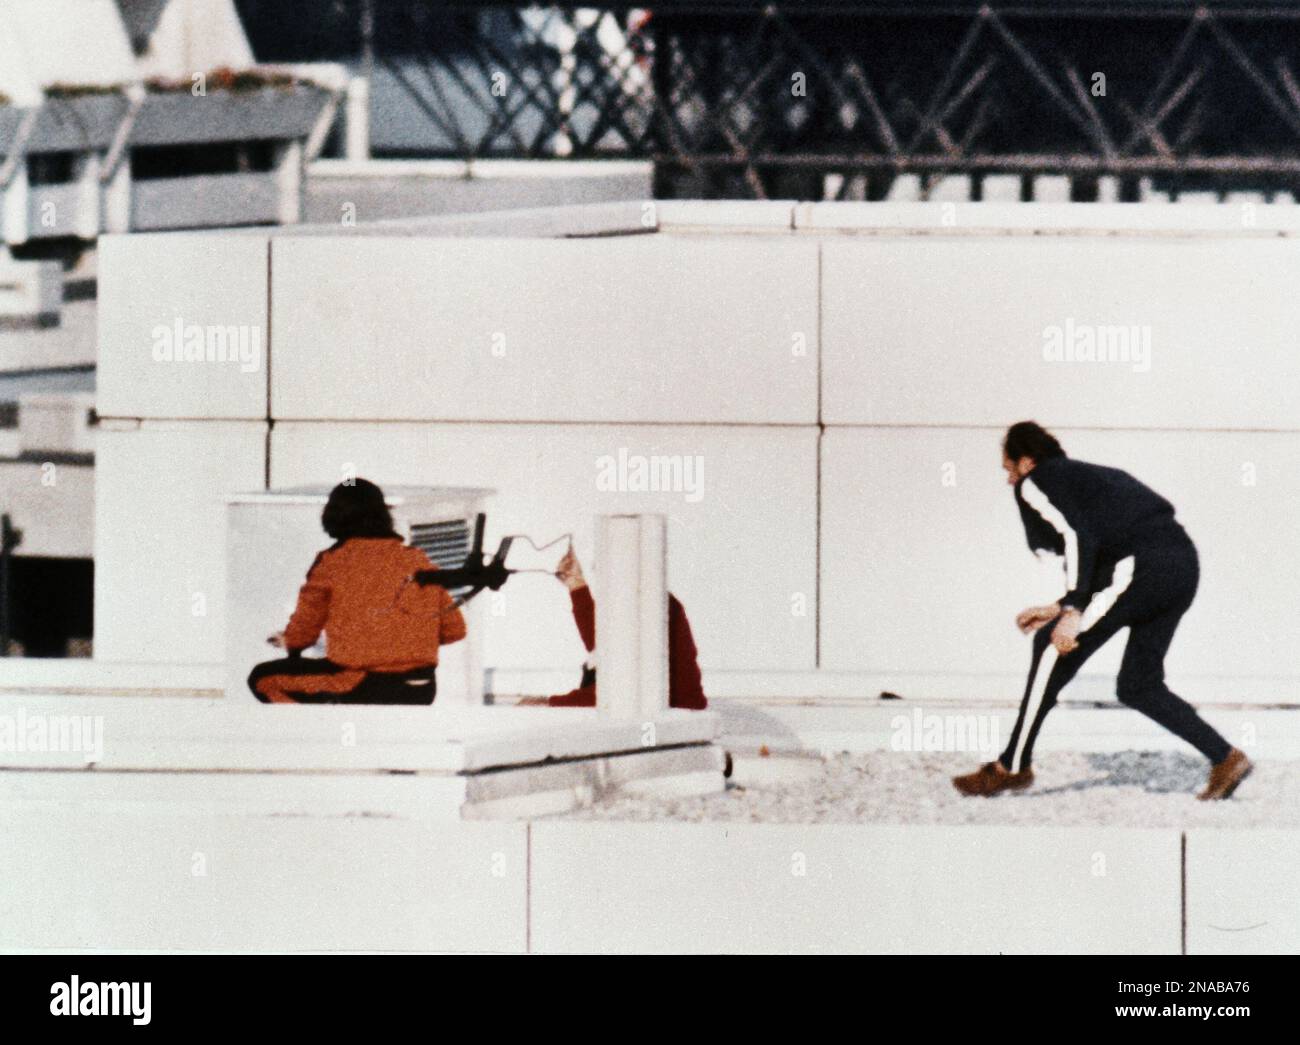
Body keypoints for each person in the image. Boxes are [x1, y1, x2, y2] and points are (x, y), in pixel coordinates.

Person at [952, 421, 1251, 800]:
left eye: (1008, 469)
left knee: (1050, 646)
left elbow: (1078, 537)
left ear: (1026, 462)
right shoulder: (1093, 478)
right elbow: (1106, 547)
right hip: (1180, 565)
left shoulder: (1036, 481)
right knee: (1138, 685)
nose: (1009, 480)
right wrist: (1061, 605)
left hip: (1141, 567)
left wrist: (1073, 609)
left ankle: (1011, 767)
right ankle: (1226, 757)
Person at [247, 479, 465, 705]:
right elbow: (454, 630)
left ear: (333, 516)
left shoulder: (332, 562)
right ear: (384, 515)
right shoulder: (417, 559)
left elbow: (305, 630)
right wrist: (404, 639)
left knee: (263, 679)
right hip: (421, 689)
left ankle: (321, 726)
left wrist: (290, 641)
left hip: (363, 685)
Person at [520, 545, 707, 710]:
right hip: (661, 711)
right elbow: (603, 644)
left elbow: (622, 692)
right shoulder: (642, 599)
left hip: (672, 717)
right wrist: (576, 584)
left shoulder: (650, 605)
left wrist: (552, 703)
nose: (599, 573)